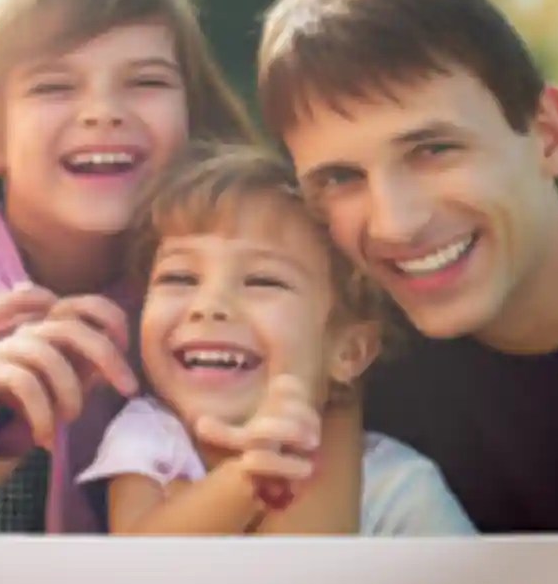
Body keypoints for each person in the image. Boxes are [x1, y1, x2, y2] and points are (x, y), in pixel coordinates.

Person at [256, 0, 558, 533]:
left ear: (550, 137)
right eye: (340, 178)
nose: (396, 225)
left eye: (433, 150)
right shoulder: (355, 367)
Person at [0, 0, 257, 533]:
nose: (103, 111)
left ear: (191, 128)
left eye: (146, 82)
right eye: (54, 86)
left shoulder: (205, 273)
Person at [75, 143, 475, 535]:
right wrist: (247, 480)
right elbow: (137, 560)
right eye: (179, 278)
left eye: (262, 280)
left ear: (349, 352)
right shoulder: (149, 435)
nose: (209, 306)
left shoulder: (395, 485)